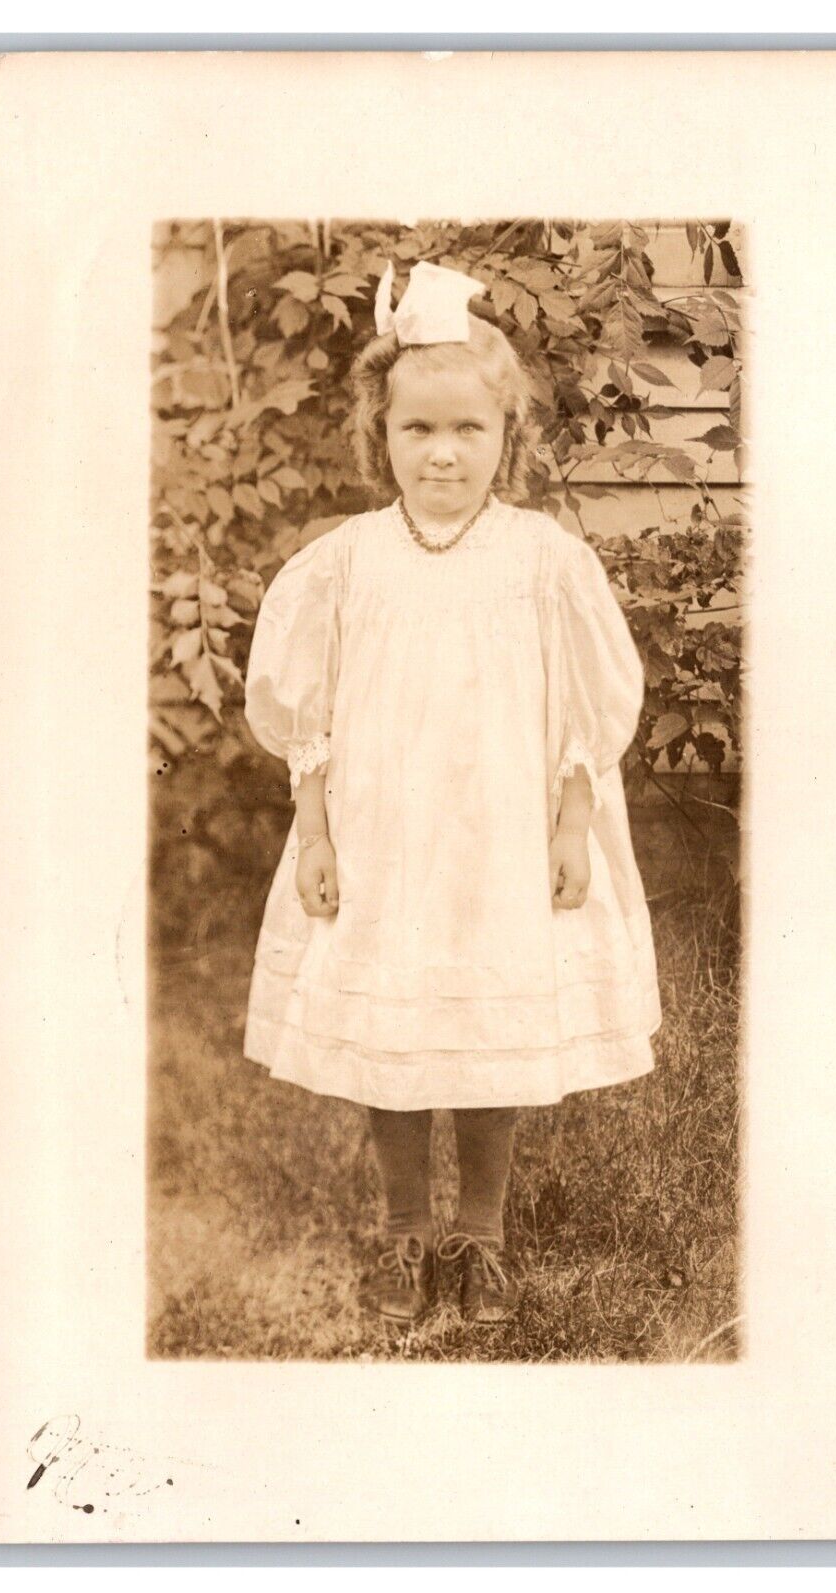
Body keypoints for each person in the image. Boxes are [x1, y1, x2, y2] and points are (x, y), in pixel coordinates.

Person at [243, 260, 661, 1328]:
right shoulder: (344, 564)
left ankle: (479, 1237)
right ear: (377, 436)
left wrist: (570, 822)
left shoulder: (543, 561)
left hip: (500, 843)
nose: (441, 453)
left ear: (506, 437)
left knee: (483, 1034)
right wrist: (317, 831)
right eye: (415, 430)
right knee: (394, 1039)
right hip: (384, 837)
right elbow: (307, 719)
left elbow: (587, 709)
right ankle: (402, 1236)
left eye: (466, 431)